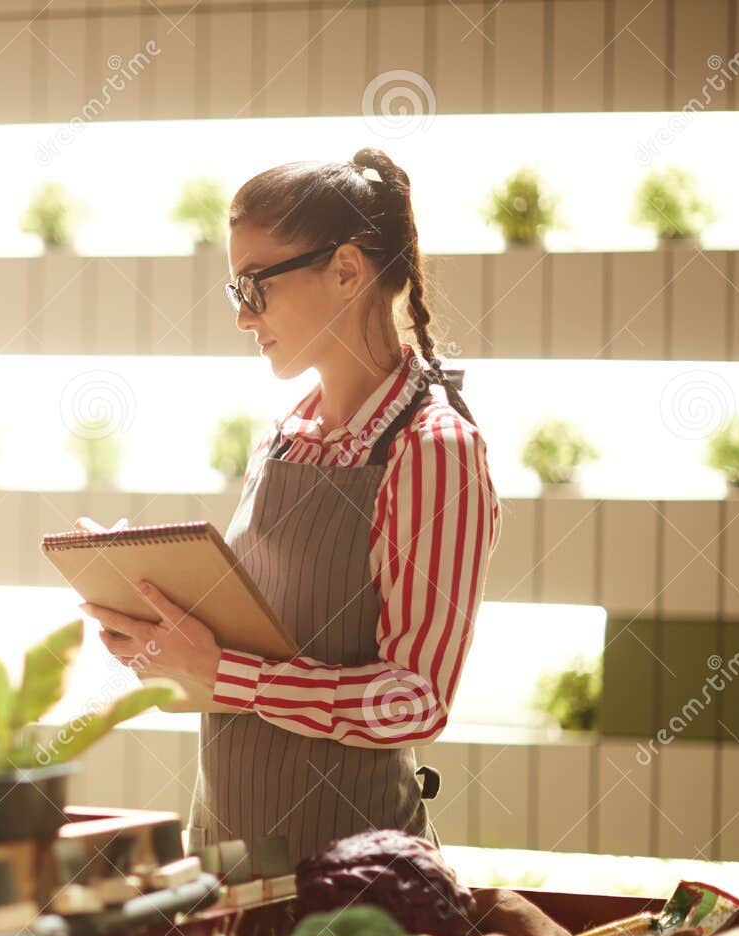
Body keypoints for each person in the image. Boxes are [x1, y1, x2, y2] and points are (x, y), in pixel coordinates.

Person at [78, 147, 499, 868]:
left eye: (256, 286)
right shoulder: (284, 439)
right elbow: (254, 651)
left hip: (358, 880)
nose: (244, 317)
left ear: (344, 270)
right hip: (226, 861)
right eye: (233, 290)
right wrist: (156, 632)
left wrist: (226, 674)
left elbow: (417, 699)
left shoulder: (434, 450)